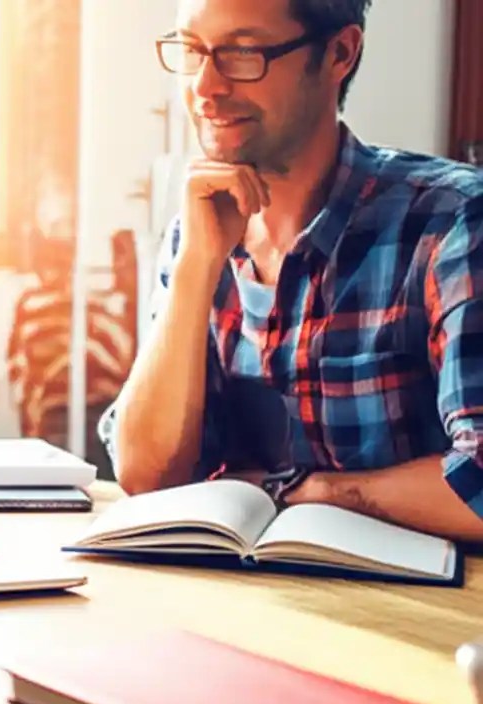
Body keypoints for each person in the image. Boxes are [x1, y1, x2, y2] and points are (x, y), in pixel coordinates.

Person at [101, 0, 483, 542]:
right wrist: (195, 268)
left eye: (241, 53)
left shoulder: (451, 220)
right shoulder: (199, 234)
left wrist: (311, 492)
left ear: (339, 53)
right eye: (193, 50)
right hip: (240, 604)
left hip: (412, 610)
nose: (205, 87)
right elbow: (146, 474)